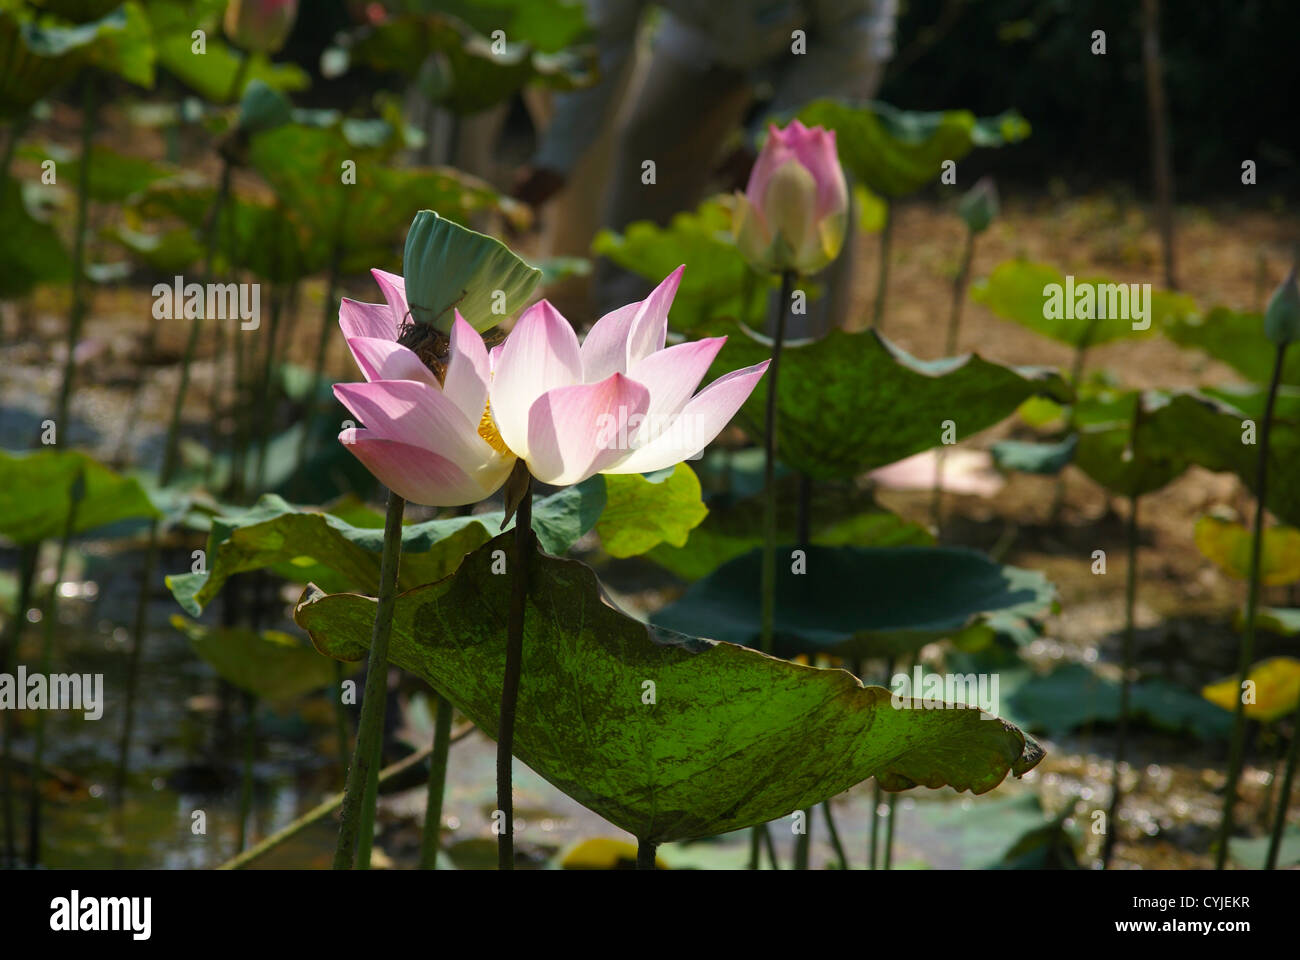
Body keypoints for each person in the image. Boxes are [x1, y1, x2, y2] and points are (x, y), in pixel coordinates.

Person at [513, 0, 898, 329]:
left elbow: (853, 38)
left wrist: (765, 141)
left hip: (826, 49)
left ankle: (802, 355)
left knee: (811, 169)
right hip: (702, 36)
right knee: (648, 147)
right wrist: (557, 157)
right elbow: (604, 40)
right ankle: (630, 327)